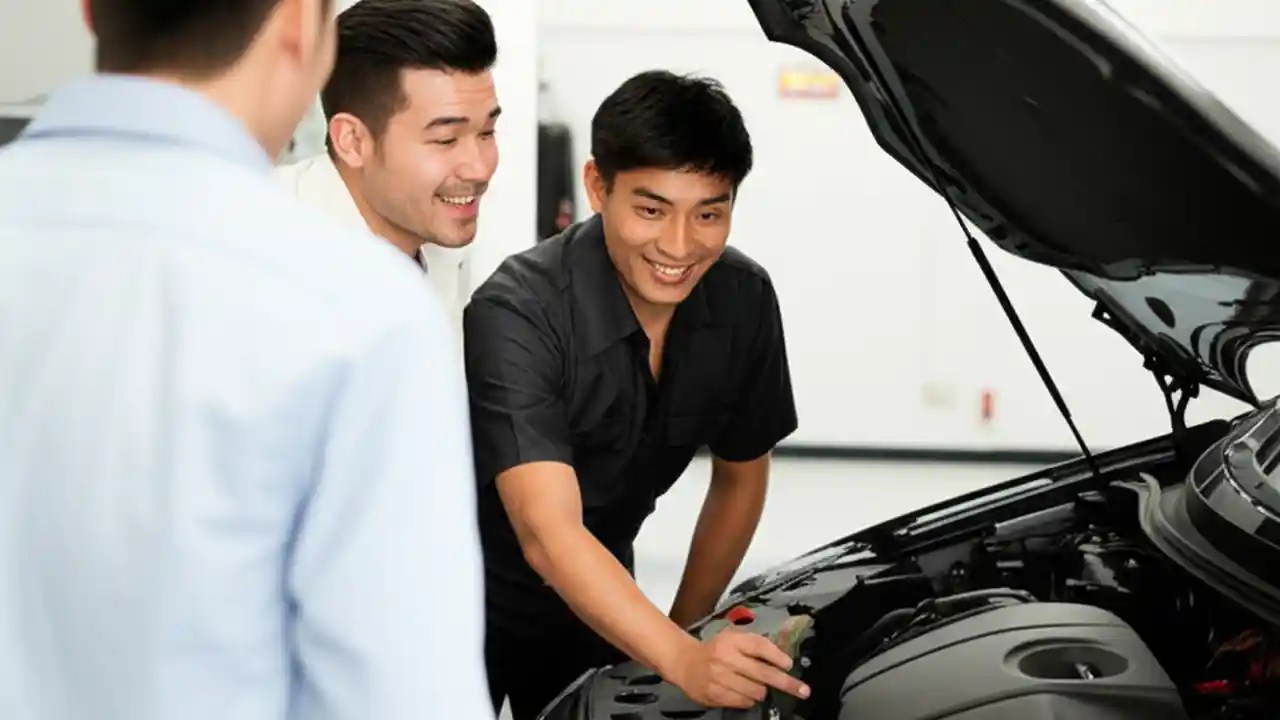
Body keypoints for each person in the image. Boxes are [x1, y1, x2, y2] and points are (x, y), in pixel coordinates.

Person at [0, 1, 492, 719]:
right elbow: (402, 692)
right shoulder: (351, 304)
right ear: (299, 25)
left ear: (89, 10)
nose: (477, 163)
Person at [464, 69, 809, 719]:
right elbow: (548, 534)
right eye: (651, 210)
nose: (679, 246)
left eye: (709, 213)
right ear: (597, 186)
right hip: (460, 602)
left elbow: (740, 477)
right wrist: (680, 657)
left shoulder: (742, 299)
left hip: (599, 596)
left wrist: (687, 630)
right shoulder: (517, 310)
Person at [277, 0, 500, 338]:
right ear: (352, 141)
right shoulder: (263, 256)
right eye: (445, 140)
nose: (479, 169)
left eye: (486, 132)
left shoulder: (435, 242)